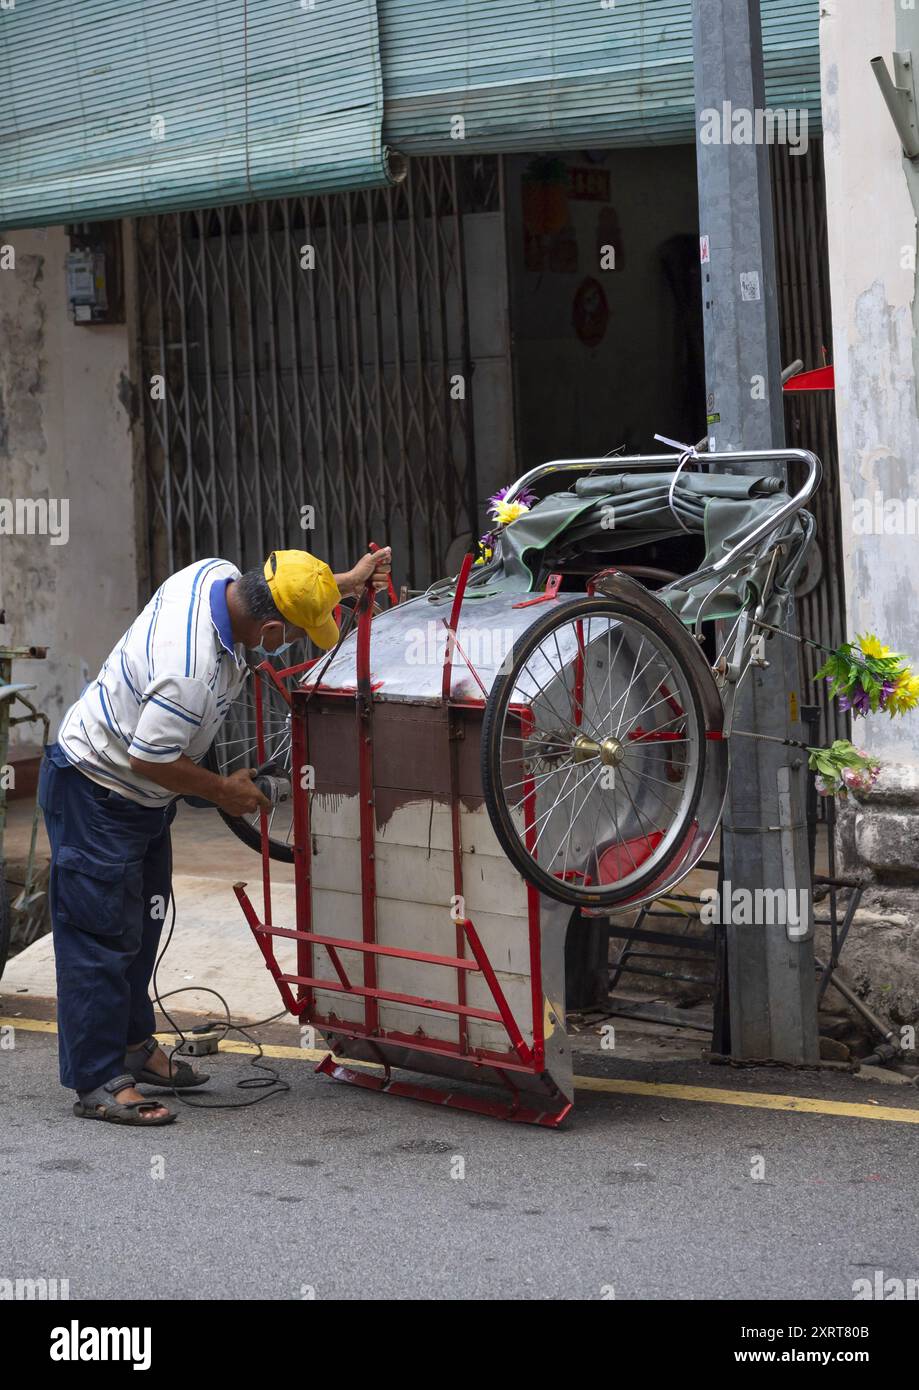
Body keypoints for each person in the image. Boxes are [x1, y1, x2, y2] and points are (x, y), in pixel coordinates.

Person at [38, 545, 392, 1125]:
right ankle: (98, 1081)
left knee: (140, 926)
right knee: (100, 939)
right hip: (98, 793)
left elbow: (288, 583)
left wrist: (344, 583)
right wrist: (222, 791)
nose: (293, 646)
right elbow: (149, 759)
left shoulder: (216, 575)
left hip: (139, 802)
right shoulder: (189, 672)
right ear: (271, 627)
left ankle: (132, 1046)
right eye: (296, 636)